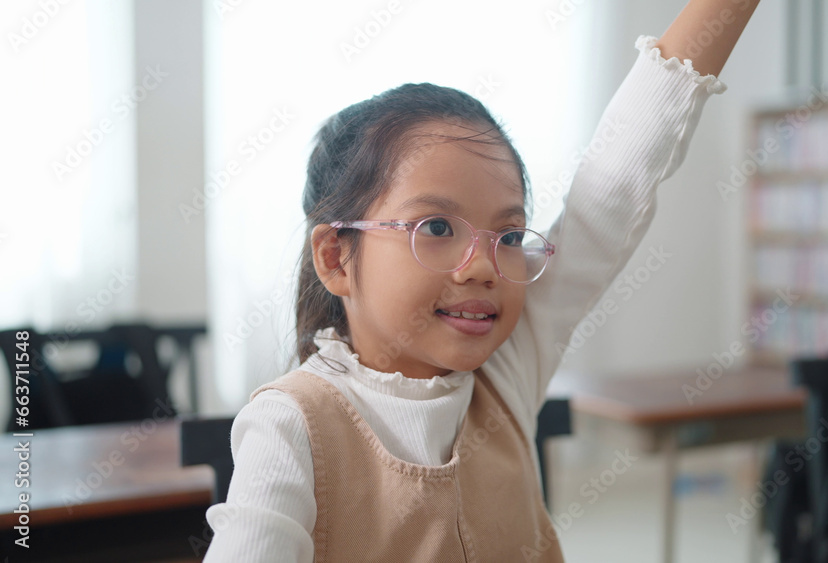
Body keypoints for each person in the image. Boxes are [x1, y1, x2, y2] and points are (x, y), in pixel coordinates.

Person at [204, 1, 760, 560]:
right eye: (437, 226)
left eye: (510, 236)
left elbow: (615, 181)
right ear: (336, 257)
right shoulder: (289, 424)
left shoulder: (505, 371)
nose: (482, 265)